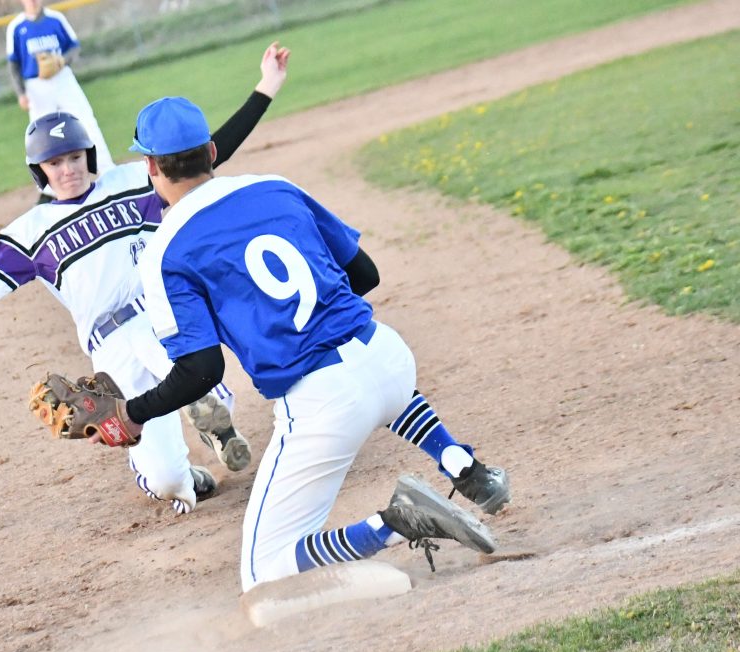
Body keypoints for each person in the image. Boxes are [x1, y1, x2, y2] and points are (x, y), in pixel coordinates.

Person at [98, 95, 509, 591]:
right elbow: (365, 274)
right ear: (211, 151)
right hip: (388, 357)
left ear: (150, 167)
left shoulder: (165, 249)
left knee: (263, 573)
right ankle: (459, 461)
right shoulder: (276, 187)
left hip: (324, 403)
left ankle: (399, 522)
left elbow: (201, 370)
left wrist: (133, 413)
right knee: (368, 380)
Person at [0, 43, 292, 516]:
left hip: (157, 316)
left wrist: (267, 86)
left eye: (74, 157)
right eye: (55, 162)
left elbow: (206, 156)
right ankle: (188, 475)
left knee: (194, 379)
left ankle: (211, 415)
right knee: (169, 484)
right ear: (40, 171)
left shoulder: (134, 181)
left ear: (88, 155)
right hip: (109, 347)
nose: (67, 169)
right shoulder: (29, 232)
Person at [6, 0, 115, 193]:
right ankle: (46, 189)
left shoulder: (56, 18)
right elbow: (13, 64)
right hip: (36, 85)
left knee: (86, 121)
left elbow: (74, 47)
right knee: (39, 134)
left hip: (63, 78)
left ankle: (107, 170)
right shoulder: (16, 27)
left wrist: (62, 60)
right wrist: (21, 93)